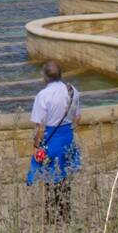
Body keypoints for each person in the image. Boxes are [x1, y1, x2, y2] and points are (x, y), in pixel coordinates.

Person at [27, 61, 81, 223]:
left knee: (51, 177)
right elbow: (78, 118)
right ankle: (66, 214)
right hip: (68, 137)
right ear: (61, 74)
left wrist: (36, 147)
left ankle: (52, 217)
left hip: (52, 139)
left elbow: (40, 127)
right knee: (65, 175)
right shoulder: (73, 91)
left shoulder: (42, 96)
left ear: (45, 76)